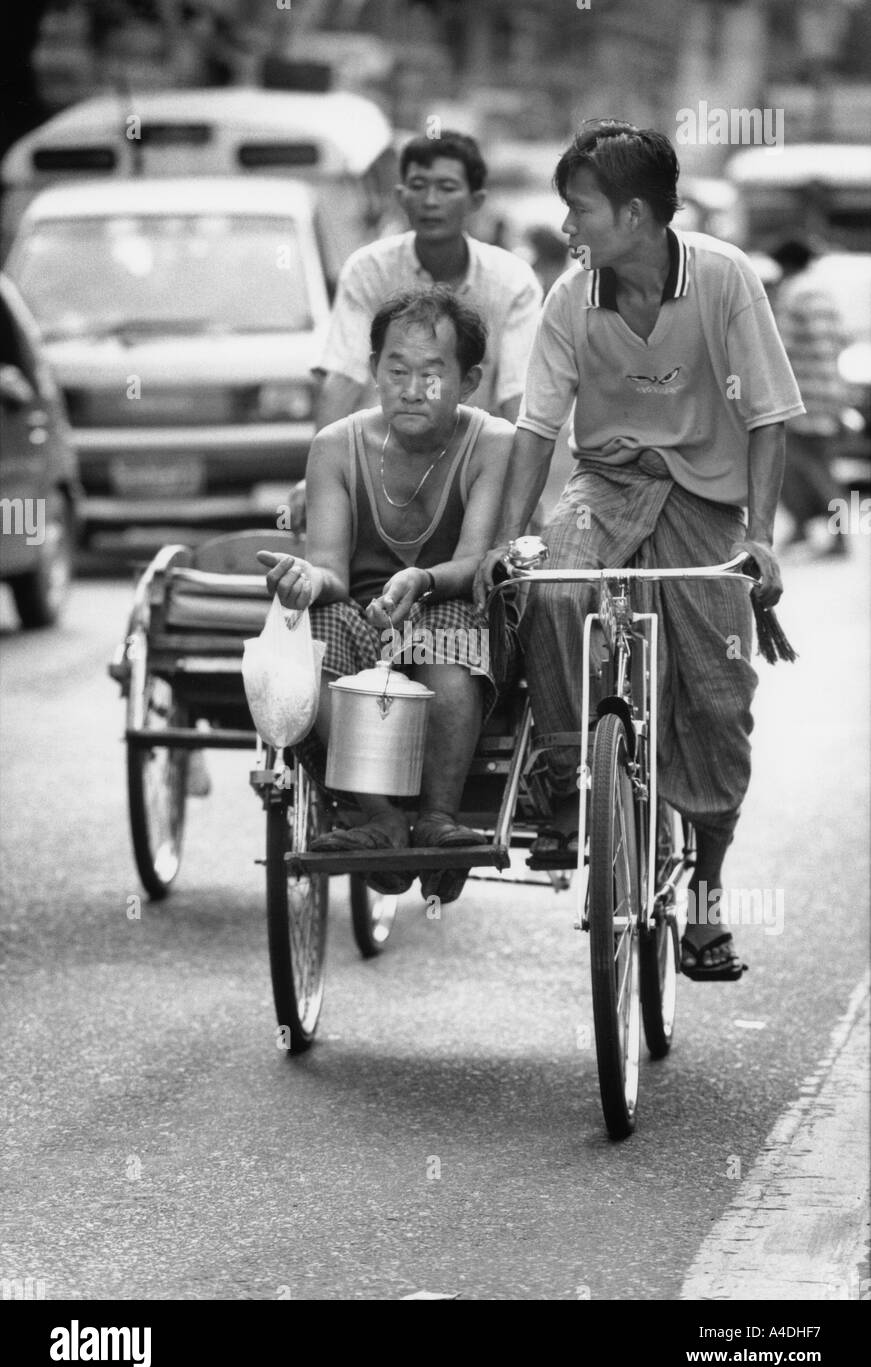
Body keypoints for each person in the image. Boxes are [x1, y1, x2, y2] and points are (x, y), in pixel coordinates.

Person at [474, 120, 804, 981]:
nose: (567, 226)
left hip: (704, 502)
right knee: (550, 596)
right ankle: (569, 786)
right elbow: (536, 427)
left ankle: (704, 901)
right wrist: (513, 538)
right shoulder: (568, 298)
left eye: (577, 209)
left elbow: (768, 417)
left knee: (719, 701)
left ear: (633, 212)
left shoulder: (725, 280)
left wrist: (760, 541)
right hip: (604, 487)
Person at [259, 287, 517, 905]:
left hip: (448, 602)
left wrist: (420, 581)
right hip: (360, 614)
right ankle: (377, 814)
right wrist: (302, 581)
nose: (411, 389)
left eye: (433, 375)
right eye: (396, 370)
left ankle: (437, 816)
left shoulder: (493, 442)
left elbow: (476, 560)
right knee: (306, 643)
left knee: (450, 630)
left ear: (470, 380)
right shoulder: (335, 446)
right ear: (374, 370)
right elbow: (330, 569)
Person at [313, 129, 542, 429]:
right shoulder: (368, 270)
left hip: (473, 455)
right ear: (400, 197)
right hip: (380, 449)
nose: (431, 200)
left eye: (447, 187)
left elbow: (517, 393)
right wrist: (321, 465)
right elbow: (343, 377)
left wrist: (518, 472)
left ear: (476, 200)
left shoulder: (513, 281)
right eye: (418, 186)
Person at [770, 237, 847, 556]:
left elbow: (780, 346)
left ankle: (838, 535)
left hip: (804, 395)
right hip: (829, 391)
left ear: (785, 264)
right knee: (809, 466)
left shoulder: (794, 293)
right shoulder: (824, 293)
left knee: (810, 467)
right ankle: (804, 527)